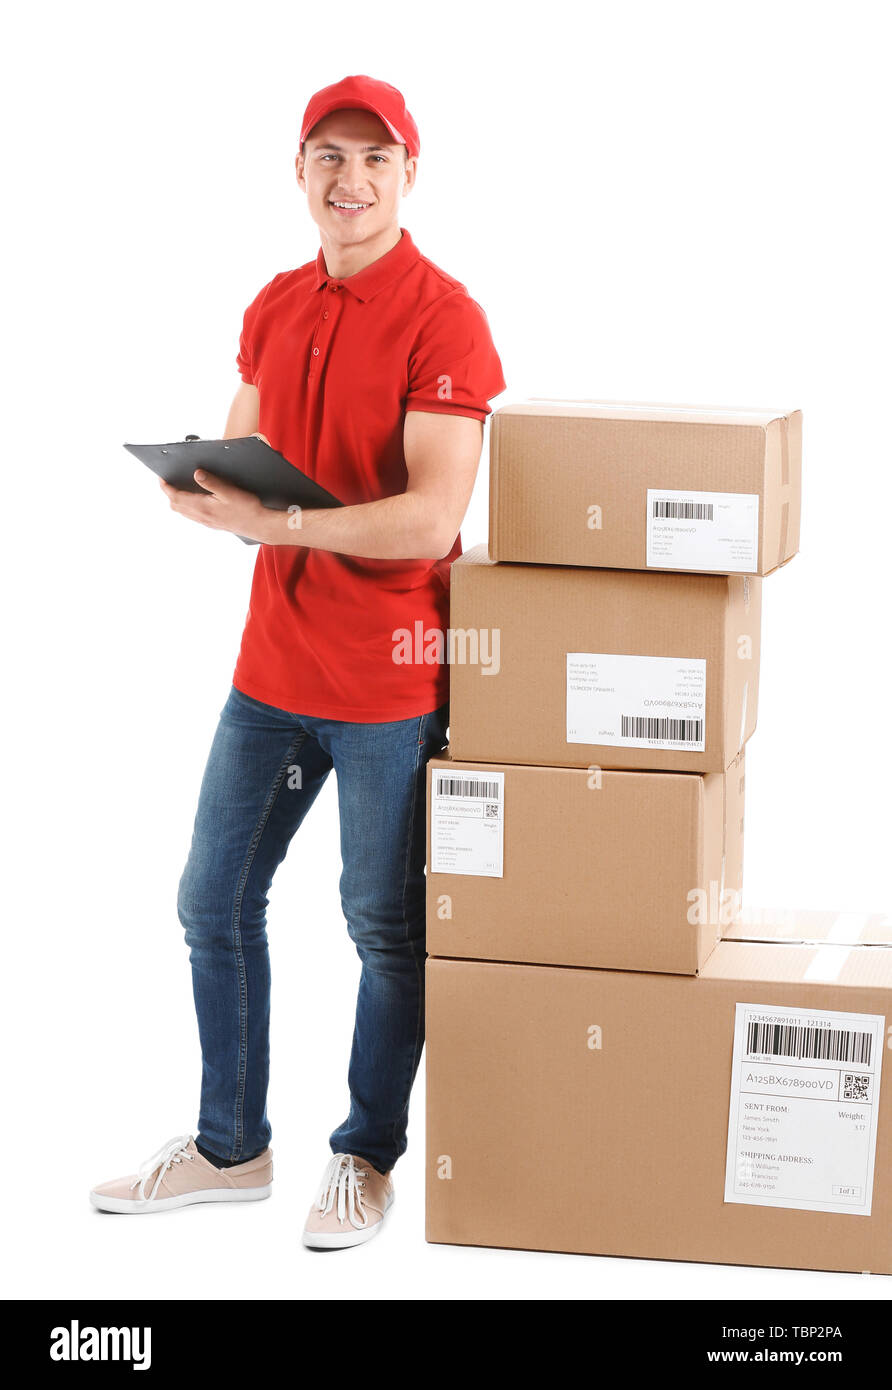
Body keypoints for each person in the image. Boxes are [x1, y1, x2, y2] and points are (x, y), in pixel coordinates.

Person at [90, 75, 506, 1248]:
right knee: (211, 900)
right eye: (328, 155)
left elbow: (431, 520)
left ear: (408, 176)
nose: (350, 180)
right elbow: (244, 444)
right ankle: (231, 1147)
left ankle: (365, 1155)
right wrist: (203, 488)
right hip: (272, 673)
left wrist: (287, 528)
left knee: (380, 921)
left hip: (389, 682)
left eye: (374, 159)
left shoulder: (446, 317)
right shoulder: (276, 301)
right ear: (300, 172)